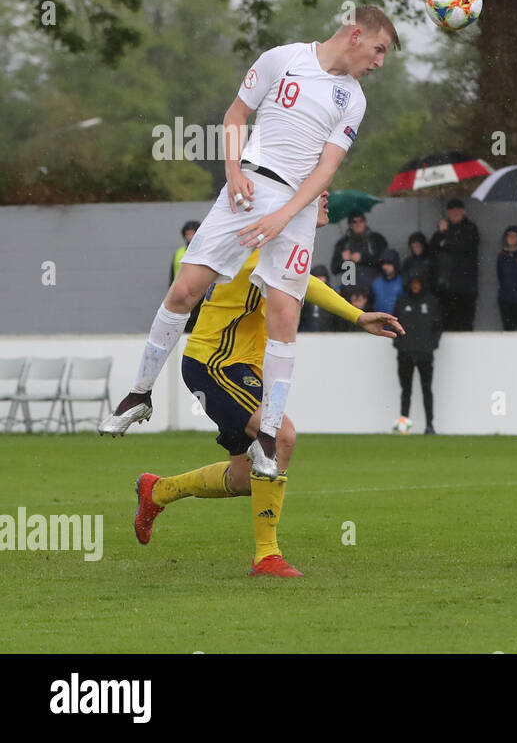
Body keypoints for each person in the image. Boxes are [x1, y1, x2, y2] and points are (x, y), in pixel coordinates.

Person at [101, 6, 399, 491]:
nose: (380, 62)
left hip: (298, 207)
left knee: (284, 316)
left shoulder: (354, 100)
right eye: (380, 50)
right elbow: (236, 115)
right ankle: (138, 395)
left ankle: (266, 434)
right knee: (183, 291)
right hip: (247, 189)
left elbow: (326, 170)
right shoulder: (282, 58)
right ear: (356, 33)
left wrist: (287, 215)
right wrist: (233, 170)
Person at [131, 192, 404, 576]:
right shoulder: (258, 245)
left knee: (243, 478)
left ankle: (157, 491)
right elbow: (292, 282)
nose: (324, 196)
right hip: (215, 364)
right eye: (315, 191)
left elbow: (299, 279)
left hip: (240, 368)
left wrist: (357, 317)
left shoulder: (275, 244)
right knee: (283, 435)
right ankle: (267, 556)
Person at [394, 272, 442, 435]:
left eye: (418, 283)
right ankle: (403, 423)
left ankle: (429, 425)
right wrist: (399, 344)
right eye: (413, 283)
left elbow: (438, 326)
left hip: (425, 353)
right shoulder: (402, 301)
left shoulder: (431, 302)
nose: (415, 286)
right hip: (405, 353)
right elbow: (394, 323)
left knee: (426, 389)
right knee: (406, 389)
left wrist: (432, 345)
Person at [431, 199, 480, 331]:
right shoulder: (443, 229)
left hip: (465, 288)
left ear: (464, 211)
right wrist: (441, 232)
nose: (454, 213)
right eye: (451, 210)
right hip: (445, 289)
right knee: (445, 325)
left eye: (458, 209)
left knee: (464, 324)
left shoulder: (470, 228)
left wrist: (445, 241)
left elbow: (463, 247)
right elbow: (432, 248)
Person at [330, 213, 388, 292]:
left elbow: (386, 261)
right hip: (350, 290)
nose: (358, 224)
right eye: (354, 222)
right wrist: (342, 260)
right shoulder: (342, 243)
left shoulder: (376, 239)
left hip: (374, 289)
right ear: (350, 225)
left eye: (361, 221)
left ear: (365, 222)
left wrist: (363, 258)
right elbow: (334, 269)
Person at [172, 220, 204, 332]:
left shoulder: (205, 252)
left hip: (200, 294)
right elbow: (172, 275)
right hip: (182, 294)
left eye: (192, 233)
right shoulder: (179, 253)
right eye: (187, 234)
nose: (190, 237)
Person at [299, 266, 348, 332]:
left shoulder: (333, 295)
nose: (319, 280)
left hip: (328, 335)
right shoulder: (305, 294)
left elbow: (337, 319)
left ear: (326, 278)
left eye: (322, 277)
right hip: (306, 334)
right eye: (317, 277)